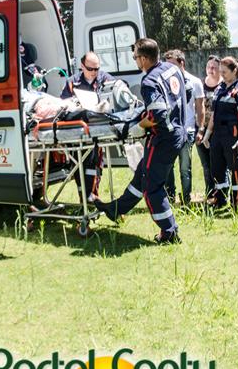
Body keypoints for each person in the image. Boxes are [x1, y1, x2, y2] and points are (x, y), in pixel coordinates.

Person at [93, 38, 186, 244]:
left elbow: (157, 116)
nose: (135, 60)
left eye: (135, 56)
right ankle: (115, 210)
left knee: (151, 187)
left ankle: (169, 232)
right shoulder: (172, 68)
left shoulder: (149, 81)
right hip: (178, 132)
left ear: (144, 59)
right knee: (142, 176)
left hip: (163, 139)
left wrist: (139, 125)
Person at [60, 52, 115, 198]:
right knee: (78, 165)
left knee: (94, 163)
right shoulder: (72, 82)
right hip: (77, 130)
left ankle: (92, 195)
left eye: (97, 69)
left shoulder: (105, 78)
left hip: (97, 129)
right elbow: (64, 104)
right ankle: (83, 196)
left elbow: (118, 88)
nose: (94, 73)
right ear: (82, 67)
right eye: (90, 69)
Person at [201, 57, 238, 209]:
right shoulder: (220, 87)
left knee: (235, 169)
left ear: (234, 71)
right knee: (217, 169)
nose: (221, 74)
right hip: (217, 134)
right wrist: (208, 133)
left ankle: (236, 202)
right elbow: (214, 113)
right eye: (220, 71)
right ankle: (220, 200)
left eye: (224, 72)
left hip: (233, 134)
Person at [163, 49, 204, 204]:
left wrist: (200, 129)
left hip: (188, 130)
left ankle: (186, 199)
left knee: (185, 168)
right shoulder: (165, 82)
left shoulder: (194, 82)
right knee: (168, 167)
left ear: (182, 63)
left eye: (172, 64)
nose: (169, 69)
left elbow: (200, 108)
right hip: (170, 131)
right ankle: (170, 198)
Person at [196, 55, 223, 197]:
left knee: (218, 163)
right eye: (208, 67)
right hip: (201, 128)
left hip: (218, 130)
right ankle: (210, 192)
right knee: (206, 164)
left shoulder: (224, 85)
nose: (210, 70)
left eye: (214, 68)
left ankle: (222, 192)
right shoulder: (200, 84)